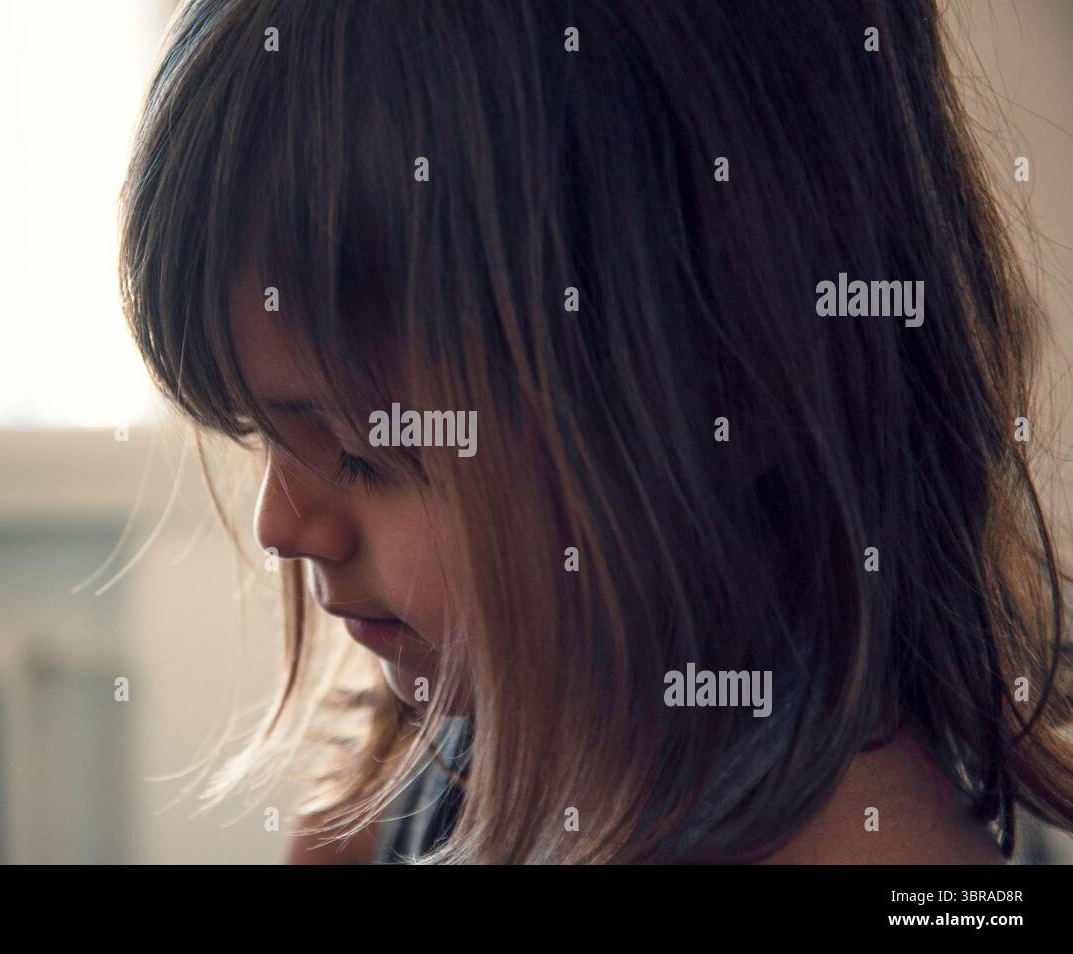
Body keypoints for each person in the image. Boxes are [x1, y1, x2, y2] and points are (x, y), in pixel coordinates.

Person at [118, 0, 1073, 863]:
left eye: (366, 455)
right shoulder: (416, 753)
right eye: (262, 431)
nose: (278, 526)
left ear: (738, 394)